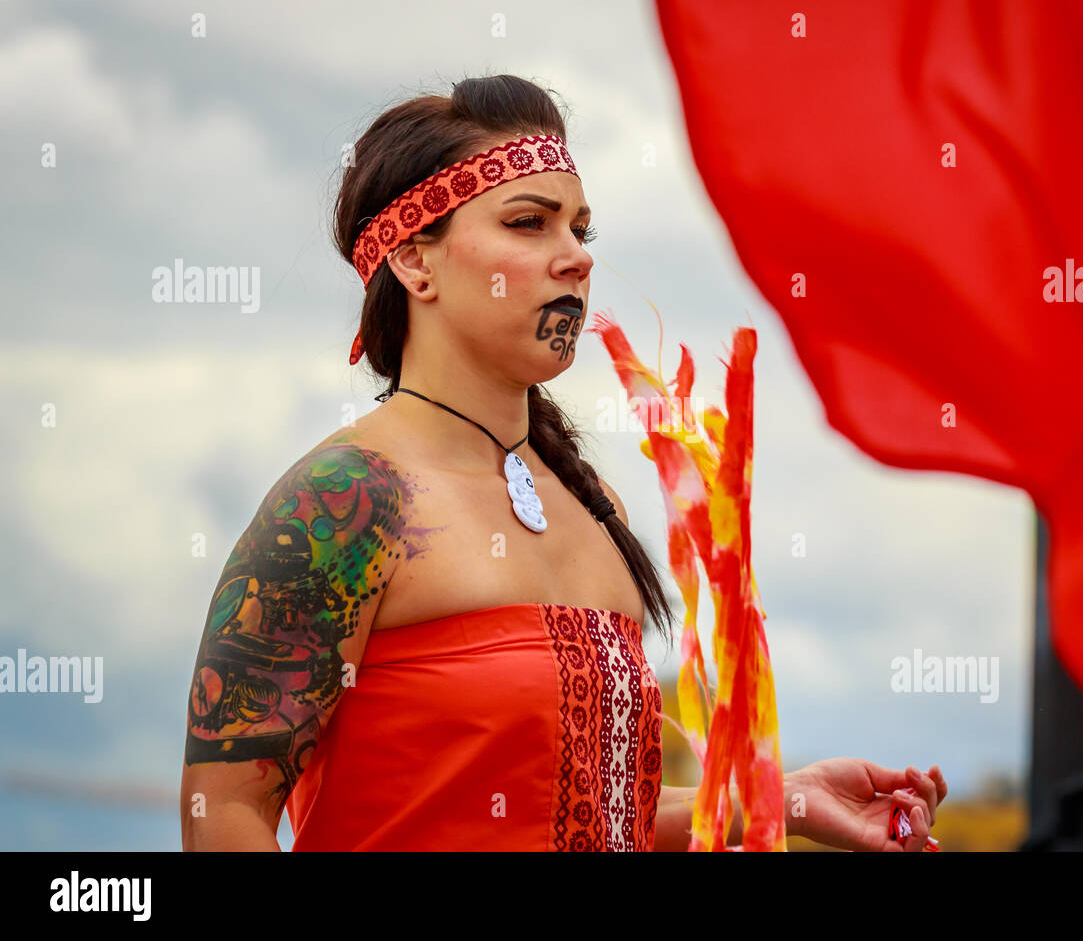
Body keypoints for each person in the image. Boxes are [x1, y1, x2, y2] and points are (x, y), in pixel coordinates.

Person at [179, 74, 946, 851]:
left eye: (581, 231)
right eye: (528, 223)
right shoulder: (345, 500)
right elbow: (225, 812)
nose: (574, 259)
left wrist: (786, 800)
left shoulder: (591, 503)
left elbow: (594, 814)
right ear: (414, 262)